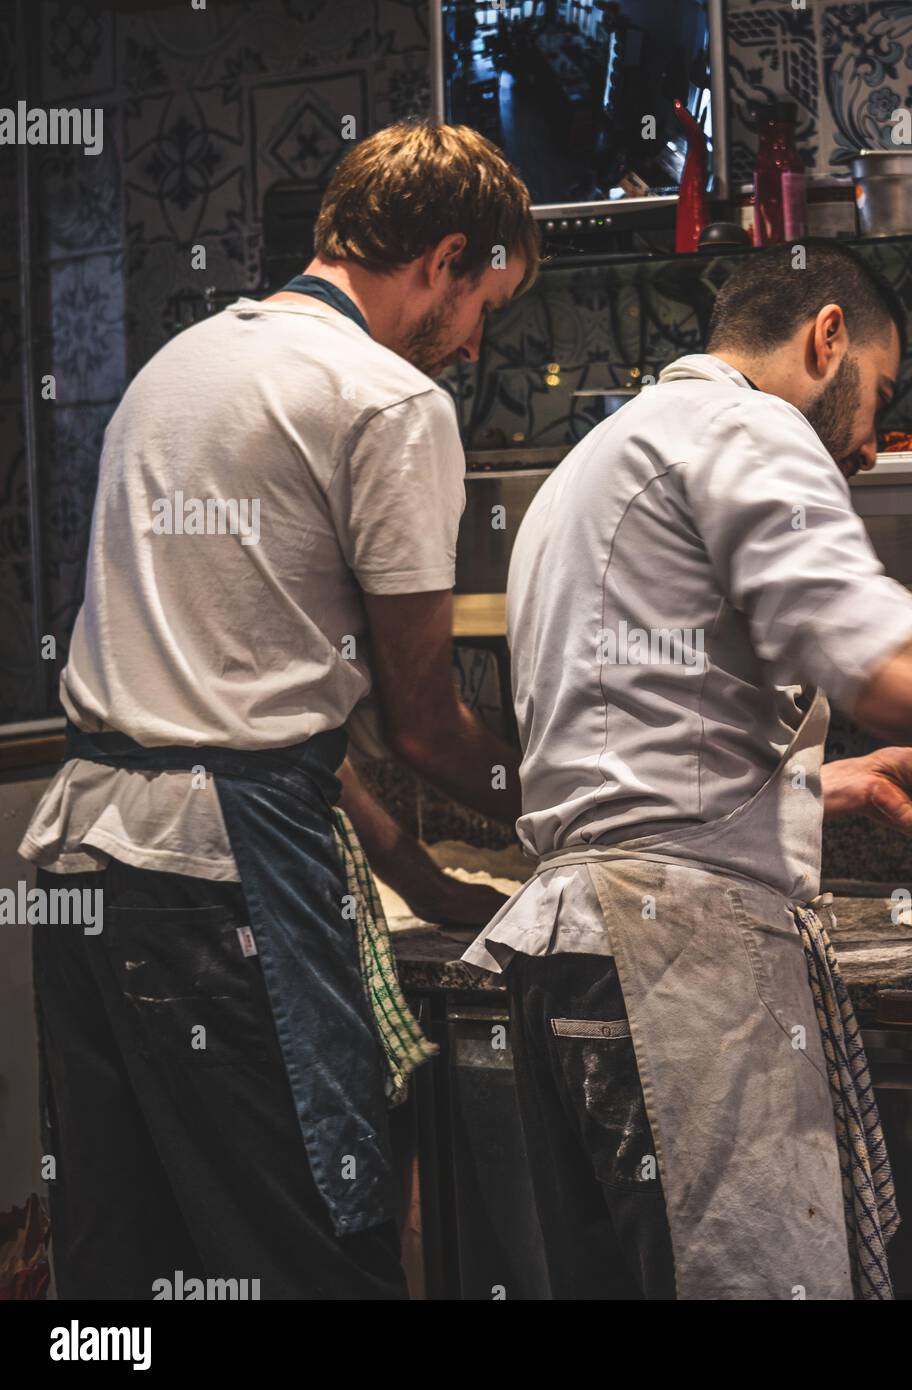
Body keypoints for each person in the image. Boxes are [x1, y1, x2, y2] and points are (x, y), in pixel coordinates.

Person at [464, 238, 912, 1300]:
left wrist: (824, 785)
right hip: (677, 973)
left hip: (570, 959)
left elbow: (629, 754)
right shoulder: (750, 426)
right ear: (827, 336)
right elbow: (892, 673)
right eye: (880, 399)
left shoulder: (595, 459)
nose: (876, 445)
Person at [21, 120, 537, 1299]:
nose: (468, 342)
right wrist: (566, 800)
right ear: (446, 257)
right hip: (218, 897)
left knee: (126, 1267)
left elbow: (245, 714)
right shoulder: (388, 402)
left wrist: (420, 880)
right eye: (480, 307)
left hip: (82, 865)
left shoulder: (179, 367)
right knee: (314, 1249)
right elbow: (420, 726)